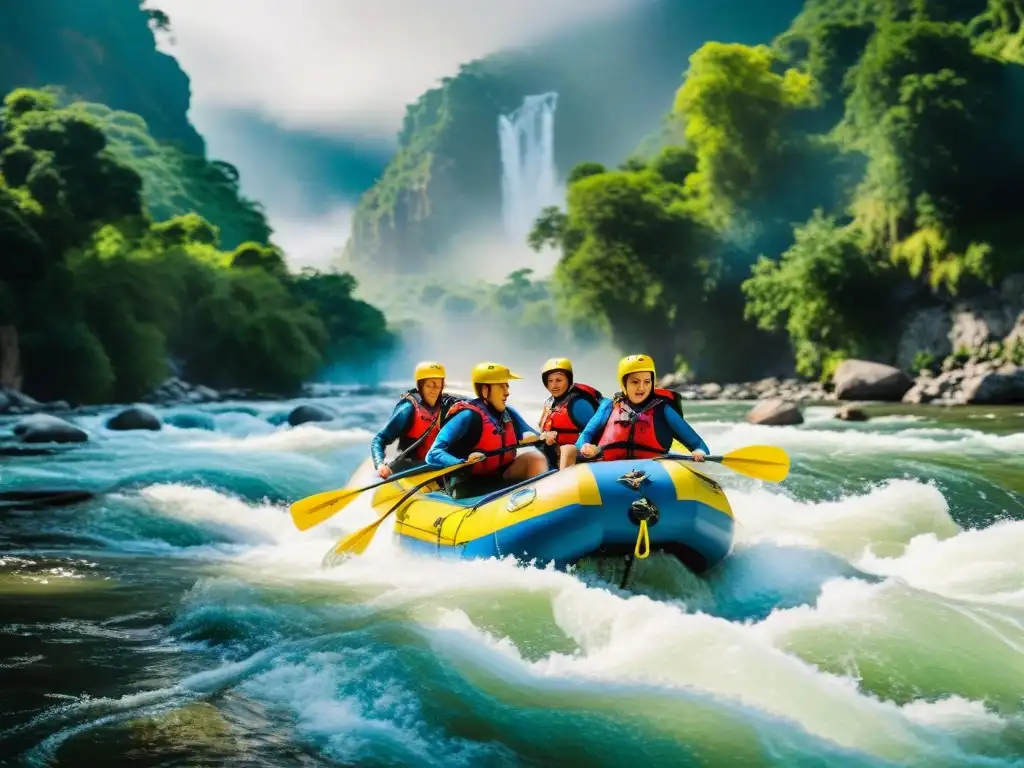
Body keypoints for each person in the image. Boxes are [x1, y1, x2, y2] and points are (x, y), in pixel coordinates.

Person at [426, 361, 550, 498]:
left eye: (507, 386)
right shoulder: (467, 416)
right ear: (485, 390)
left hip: (499, 475)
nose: (507, 392)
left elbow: (534, 436)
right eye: (501, 387)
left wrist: (545, 438)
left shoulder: (508, 414)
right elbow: (433, 454)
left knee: (534, 459)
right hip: (469, 483)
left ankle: (539, 502)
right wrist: (462, 463)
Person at [577, 354, 710, 462]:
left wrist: (699, 452)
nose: (641, 388)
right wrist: (585, 447)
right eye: (635, 382)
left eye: (647, 382)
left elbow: (698, 444)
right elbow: (584, 437)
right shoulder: (609, 407)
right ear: (624, 384)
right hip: (607, 468)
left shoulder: (663, 410)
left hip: (652, 471)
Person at [370, 361, 463, 478]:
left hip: (439, 467)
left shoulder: (448, 405)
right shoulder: (407, 409)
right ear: (420, 386)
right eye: (429, 385)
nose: (434, 390)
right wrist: (380, 464)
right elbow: (379, 439)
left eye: (438, 385)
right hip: (411, 469)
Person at [537, 357, 601, 470]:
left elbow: (593, 434)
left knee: (567, 449)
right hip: (555, 455)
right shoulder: (551, 402)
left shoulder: (579, 403)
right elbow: (541, 428)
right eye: (550, 381)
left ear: (569, 380)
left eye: (559, 380)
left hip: (578, 457)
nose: (554, 385)